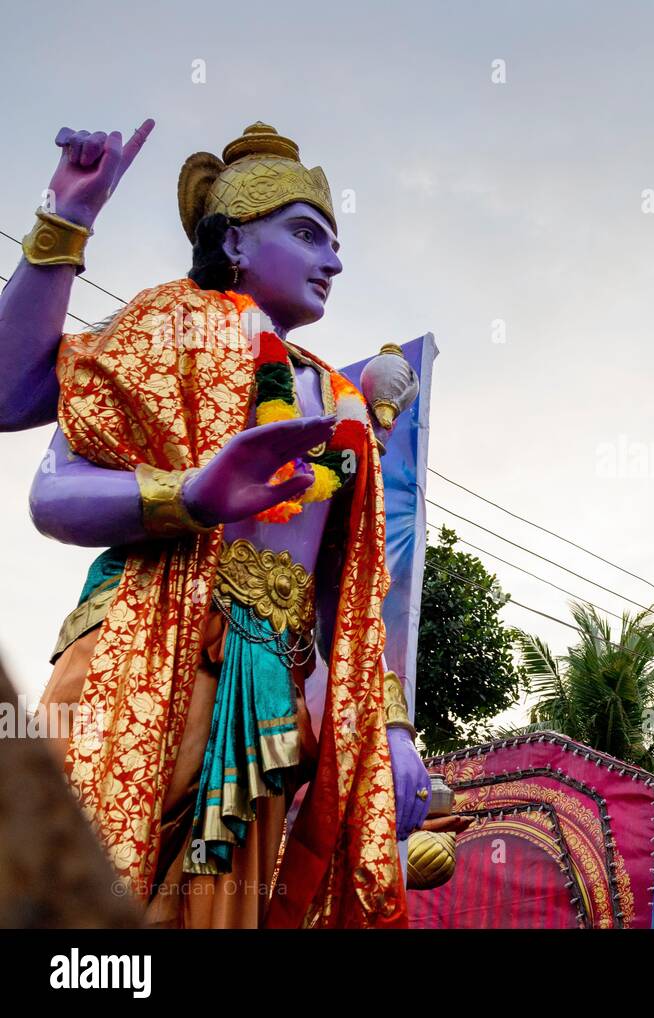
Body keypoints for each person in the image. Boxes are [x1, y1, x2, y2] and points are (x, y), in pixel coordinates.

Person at [24, 121, 437, 927]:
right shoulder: (165, 325)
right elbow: (46, 478)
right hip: (140, 653)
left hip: (270, 707)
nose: (335, 260)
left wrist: (390, 724)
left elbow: (347, 607)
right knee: (75, 899)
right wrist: (191, 497)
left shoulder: (339, 404)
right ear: (237, 241)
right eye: (307, 233)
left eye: (335, 241)